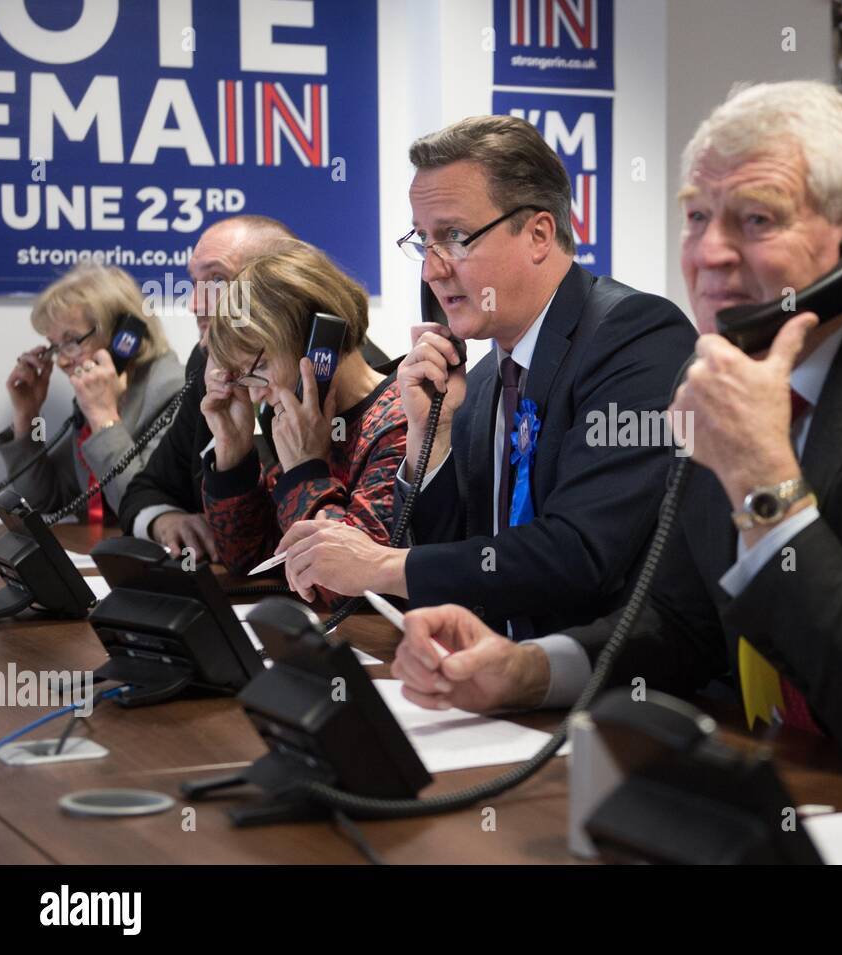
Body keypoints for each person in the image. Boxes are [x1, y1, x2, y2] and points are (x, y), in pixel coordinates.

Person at [384, 81, 842, 770]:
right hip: (772, 773)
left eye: (757, 220)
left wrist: (764, 482)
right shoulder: (724, 371)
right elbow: (682, 624)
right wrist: (527, 669)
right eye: (696, 216)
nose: (708, 254)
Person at [273, 115, 697, 638]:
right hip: (494, 683)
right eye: (423, 241)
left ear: (539, 233)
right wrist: (432, 439)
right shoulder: (483, 380)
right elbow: (461, 561)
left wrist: (380, 565)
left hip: (613, 688)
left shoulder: (634, 336)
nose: (431, 269)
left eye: (454, 237)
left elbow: (581, 553)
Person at [200, 240, 406, 598]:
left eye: (259, 368)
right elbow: (249, 557)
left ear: (318, 343)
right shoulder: (305, 417)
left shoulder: (401, 419)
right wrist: (233, 454)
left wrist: (304, 470)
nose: (255, 394)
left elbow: (347, 588)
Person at [119, 214, 297, 560]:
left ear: (283, 286)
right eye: (194, 282)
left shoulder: (330, 370)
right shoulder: (207, 365)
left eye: (217, 280)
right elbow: (147, 488)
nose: (194, 304)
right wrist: (164, 520)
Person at [0, 263, 183, 520]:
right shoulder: (99, 394)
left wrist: (103, 418)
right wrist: (26, 415)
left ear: (123, 335)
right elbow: (45, 498)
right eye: (55, 346)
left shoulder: (171, 391)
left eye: (72, 341)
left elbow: (142, 508)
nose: (61, 361)